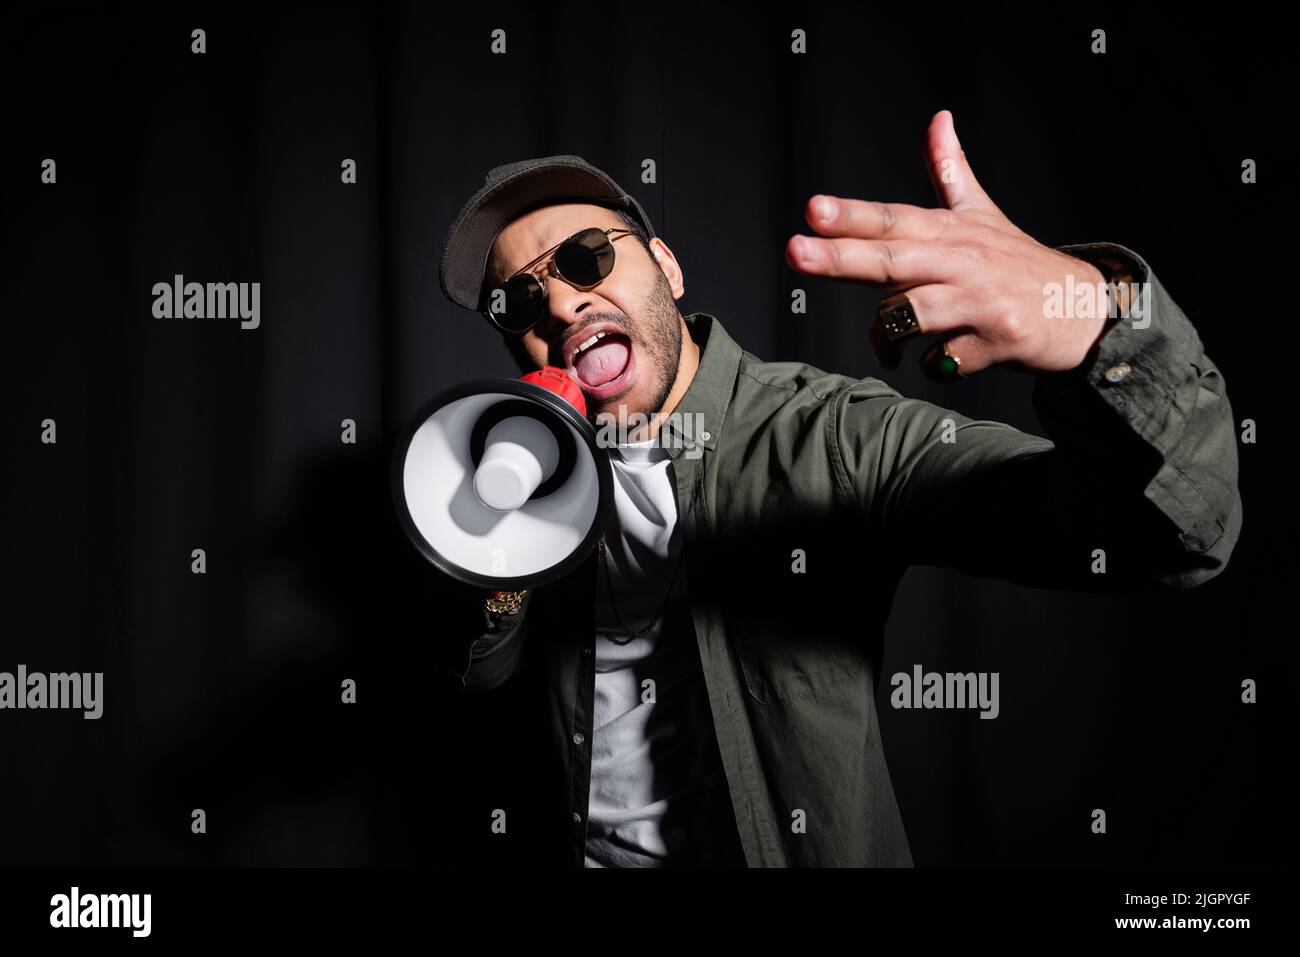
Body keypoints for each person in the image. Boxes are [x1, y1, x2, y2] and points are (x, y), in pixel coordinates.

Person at [431, 110, 1242, 867]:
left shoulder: (833, 437)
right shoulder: (527, 472)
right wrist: (500, 557)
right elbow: (487, 685)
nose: (563, 300)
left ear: (667, 266)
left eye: (585, 257)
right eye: (521, 298)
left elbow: (1171, 537)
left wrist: (1096, 319)